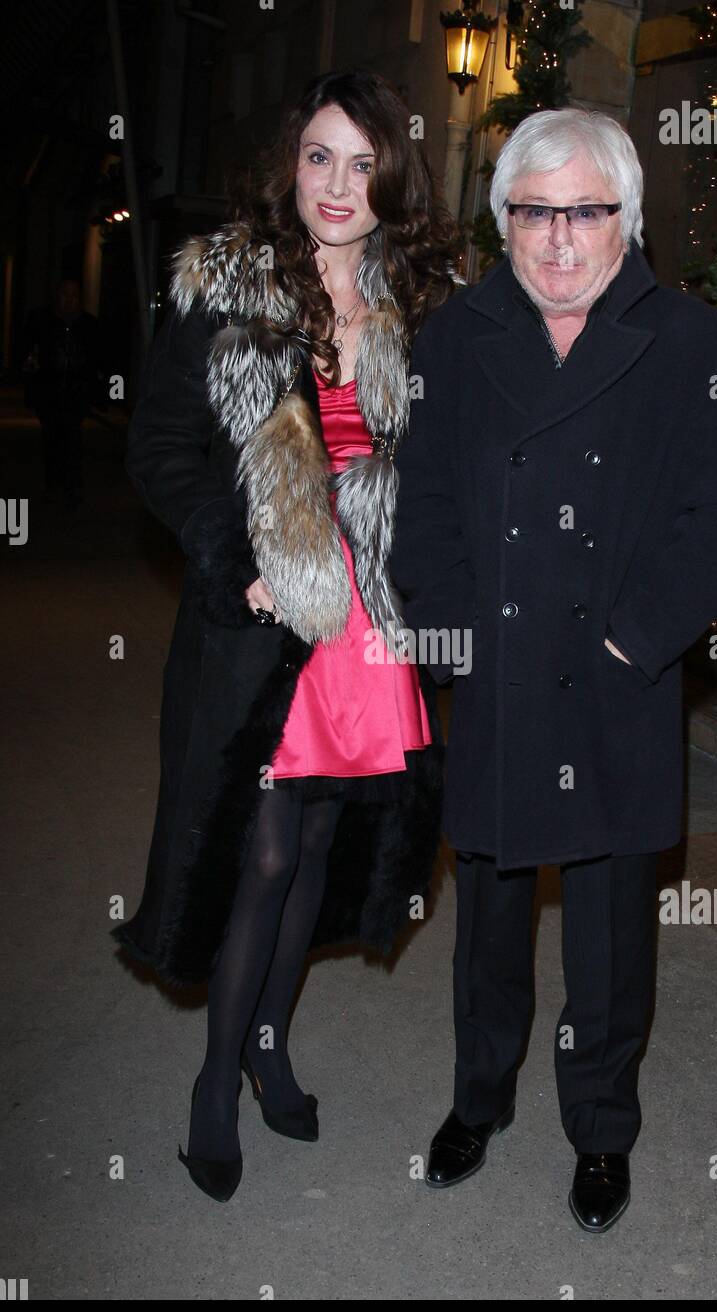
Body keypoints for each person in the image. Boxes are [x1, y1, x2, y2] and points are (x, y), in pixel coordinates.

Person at [388, 106, 717, 1233]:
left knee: (608, 933)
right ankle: (477, 1098)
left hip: (615, 685)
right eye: (534, 212)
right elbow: (423, 513)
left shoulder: (695, 348)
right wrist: (459, 637)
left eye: (585, 213)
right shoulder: (452, 339)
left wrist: (631, 637)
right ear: (503, 219)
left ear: (626, 220)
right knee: (488, 920)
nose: (559, 240)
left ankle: (600, 1130)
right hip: (501, 676)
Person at [111, 68, 458, 1201]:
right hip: (266, 620)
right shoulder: (225, 287)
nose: (338, 184)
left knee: (314, 845)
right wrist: (236, 555)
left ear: (390, 177)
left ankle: (269, 1038)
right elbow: (160, 447)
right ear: (289, 166)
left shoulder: (427, 301)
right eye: (320, 157)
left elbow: (452, 470)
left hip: (371, 629)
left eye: (362, 163)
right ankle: (219, 1077)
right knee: (259, 846)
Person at [22, 279, 102, 509]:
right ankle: (53, 484)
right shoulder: (42, 323)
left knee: (72, 439)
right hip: (49, 393)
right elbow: (29, 355)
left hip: (75, 393)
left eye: (74, 295)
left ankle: (72, 486)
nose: (70, 300)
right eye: (65, 295)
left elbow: (96, 358)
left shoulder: (88, 325)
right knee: (51, 438)